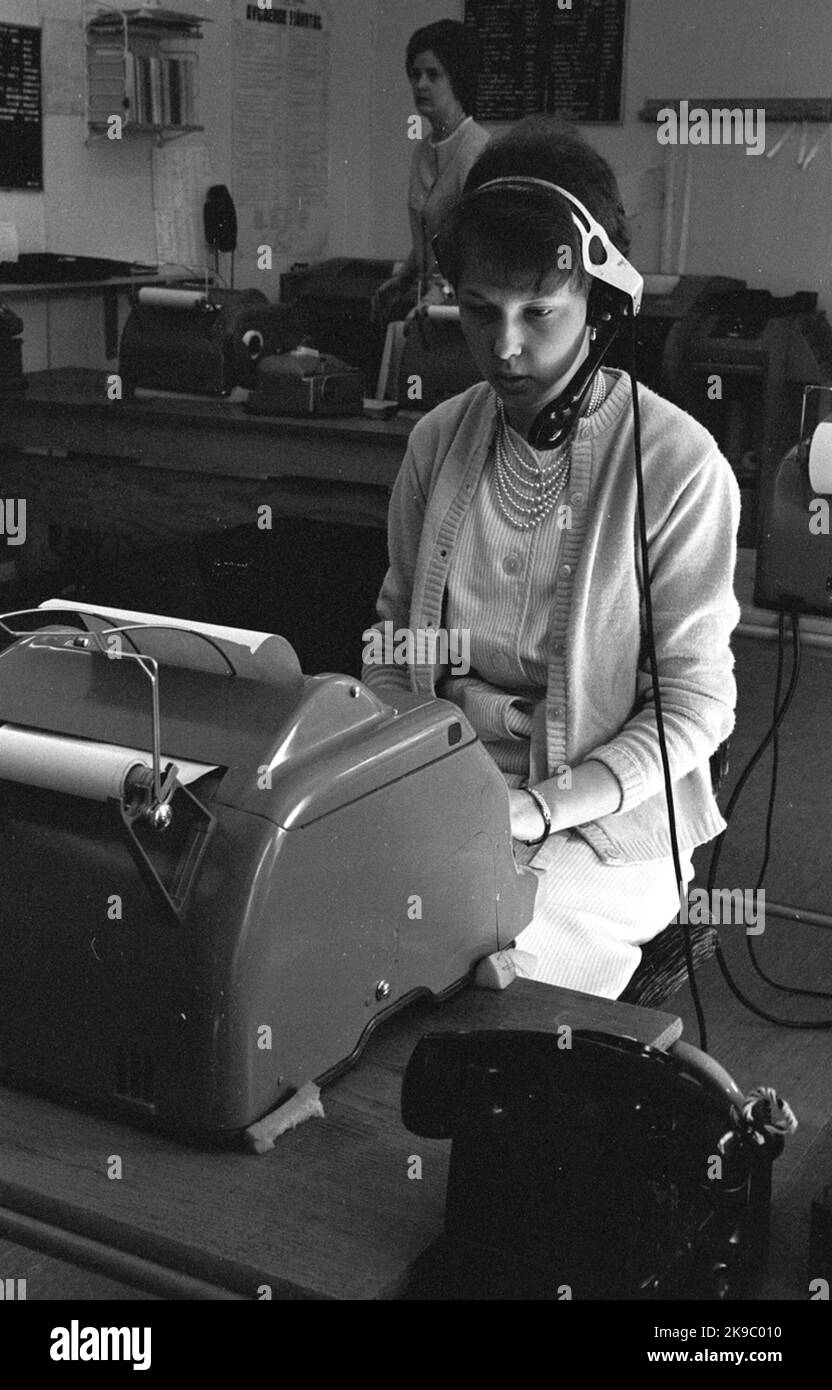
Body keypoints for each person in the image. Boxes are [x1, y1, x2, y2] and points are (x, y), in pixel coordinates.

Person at [361, 117, 741, 1000]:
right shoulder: (436, 442)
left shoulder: (677, 467)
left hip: (604, 825)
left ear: (602, 306)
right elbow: (393, 646)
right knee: (323, 932)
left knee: (492, 972)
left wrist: (540, 808)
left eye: (540, 314)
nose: (504, 347)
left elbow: (695, 709)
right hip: (453, 789)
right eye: (481, 309)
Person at [375, 19, 489, 321]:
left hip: (462, 313)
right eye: (415, 74)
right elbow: (431, 233)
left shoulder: (478, 150)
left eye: (432, 74)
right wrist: (402, 280)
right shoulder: (423, 151)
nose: (420, 84)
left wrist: (443, 295)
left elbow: (479, 251)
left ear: (458, 78)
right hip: (428, 305)